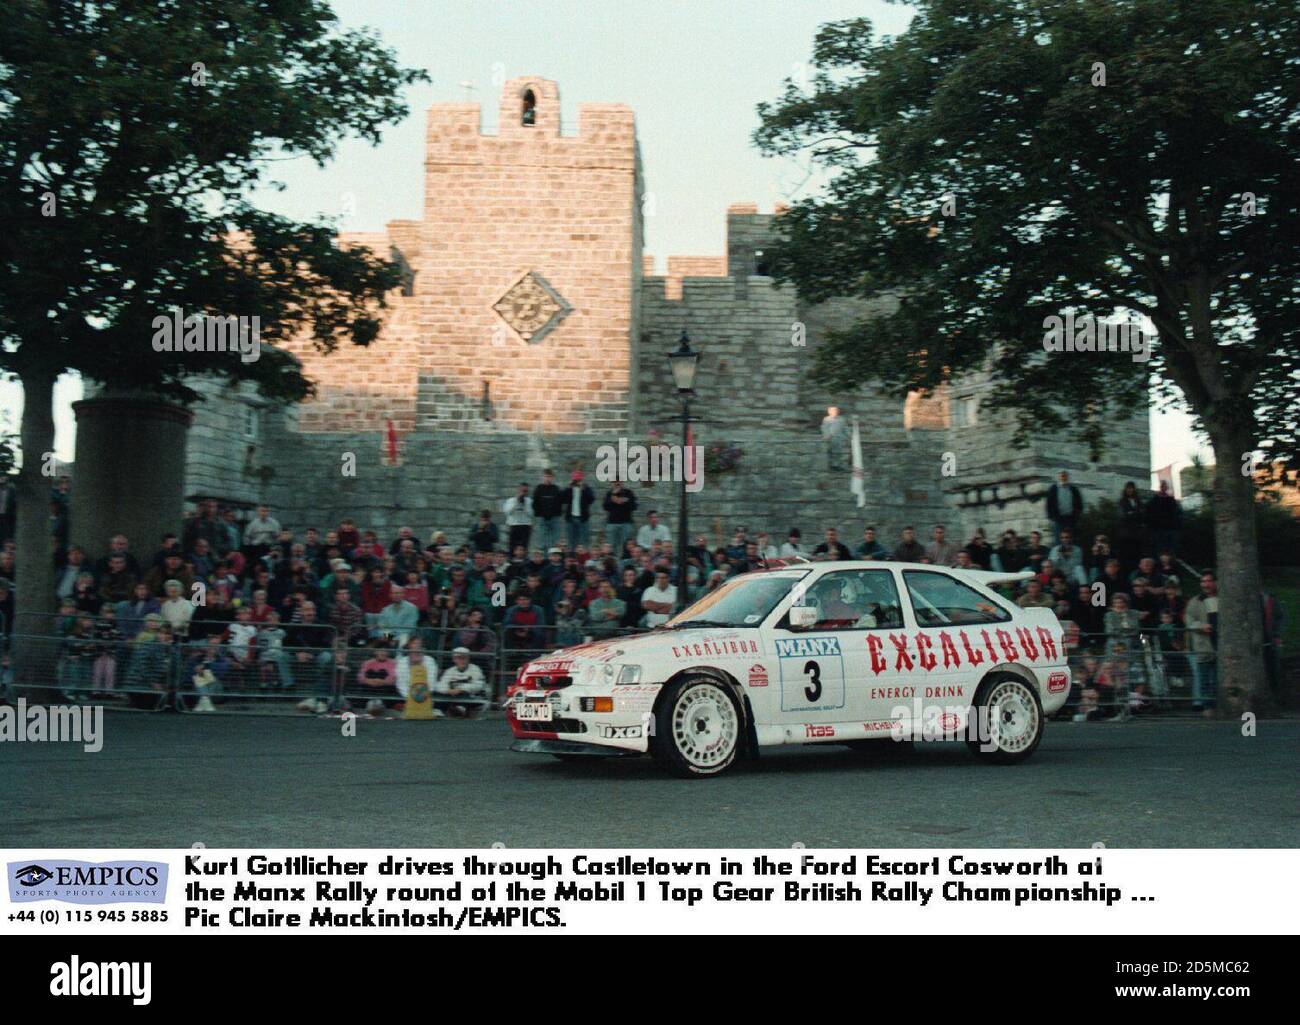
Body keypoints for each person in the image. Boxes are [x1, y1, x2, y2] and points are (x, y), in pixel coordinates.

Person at [1184, 571, 1218, 715]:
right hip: (1204, 644)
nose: (1206, 584)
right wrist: (1200, 626)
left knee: (1218, 678)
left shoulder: (1223, 599)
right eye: (1203, 581)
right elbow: (1189, 620)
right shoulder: (1195, 601)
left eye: (1209, 581)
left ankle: (1218, 704)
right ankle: (1207, 707)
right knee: (1204, 677)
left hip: (1220, 643)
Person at [434, 647, 489, 717]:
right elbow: (440, 685)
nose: (462, 660)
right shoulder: (450, 671)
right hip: (453, 698)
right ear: (454, 659)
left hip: (471, 698)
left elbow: (479, 685)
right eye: (459, 658)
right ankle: (452, 710)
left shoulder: (475, 669)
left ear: (468, 659)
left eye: (464, 658)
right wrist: (448, 690)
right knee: (439, 695)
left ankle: (461, 710)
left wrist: (461, 689)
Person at [1044, 470, 1084, 545]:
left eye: (1065, 476)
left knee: (1072, 541)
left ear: (1068, 477)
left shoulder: (1073, 489)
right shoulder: (1053, 489)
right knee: (1058, 541)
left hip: (1071, 520)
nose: (1064, 477)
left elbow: (1079, 504)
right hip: (1058, 520)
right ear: (1058, 477)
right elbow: (1048, 504)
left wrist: (1077, 517)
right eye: (1062, 476)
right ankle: (1059, 556)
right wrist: (1052, 517)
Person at [1146, 479, 1182, 556]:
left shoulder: (1171, 500)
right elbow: (1149, 513)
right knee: (1159, 549)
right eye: (1162, 486)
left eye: (1165, 486)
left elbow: (1176, 513)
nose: (1163, 488)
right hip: (1157, 529)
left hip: (1169, 529)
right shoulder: (1154, 500)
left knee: (1169, 549)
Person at [602, 480, 637, 558]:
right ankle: (612, 563)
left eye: (619, 481)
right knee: (611, 545)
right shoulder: (609, 493)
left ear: (622, 482)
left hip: (626, 523)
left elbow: (634, 506)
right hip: (612, 523)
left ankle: (626, 562)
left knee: (627, 546)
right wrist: (614, 496)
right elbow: (605, 507)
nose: (617, 483)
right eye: (615, 482)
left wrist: (622, 501)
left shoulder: (628, 492)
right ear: (612, 483)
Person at [533, 469, 564, 552]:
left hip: (554, 518)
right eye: (546, 476)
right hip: (542, 518)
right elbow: (535, 503)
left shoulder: (556, 489)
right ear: (542, 477)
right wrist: (539, 514)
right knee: (541, 541)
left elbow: (560, 502)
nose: (547, 478)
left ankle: (552, 559)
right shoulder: (538, 488)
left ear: (552, 478)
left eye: (549, 477)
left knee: (554, 542)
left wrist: (556, 514)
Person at [563, 471, 595, 549]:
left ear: (582, 480)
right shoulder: (569, 489)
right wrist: (568, 488)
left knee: (584, 541)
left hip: (583, 519)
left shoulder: (586, 488)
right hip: (571, 519)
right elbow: (563, 499)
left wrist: (583, 489)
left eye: (578, 480)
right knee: (571, 541)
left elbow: (591, 500)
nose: (577, 482)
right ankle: (572, 558)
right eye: (575, 480)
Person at [502, 483, 533, 554]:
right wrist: (516, 502)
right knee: (512, 547)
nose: (523, 493)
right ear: (518, 490)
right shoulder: (511, 500)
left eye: (525, 491)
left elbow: (531, 514)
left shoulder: (529, 501)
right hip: (514, 526)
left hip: (525, 526)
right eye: (522, 490)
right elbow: (507, 512)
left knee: (524, 548)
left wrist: (524, 505)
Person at [820, 405, 847, 470]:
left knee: (839, 452)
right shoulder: (826, 419)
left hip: (839, 438)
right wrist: (826, 435)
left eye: (836, 410)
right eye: (833, 411)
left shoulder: (841, 419)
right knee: (831, 451)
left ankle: (837, 465)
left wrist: (848, 436)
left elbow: (845, 428)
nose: (835, 412)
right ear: (829, 412)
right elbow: (824, 428)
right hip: (830, 438)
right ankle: (831, 465)